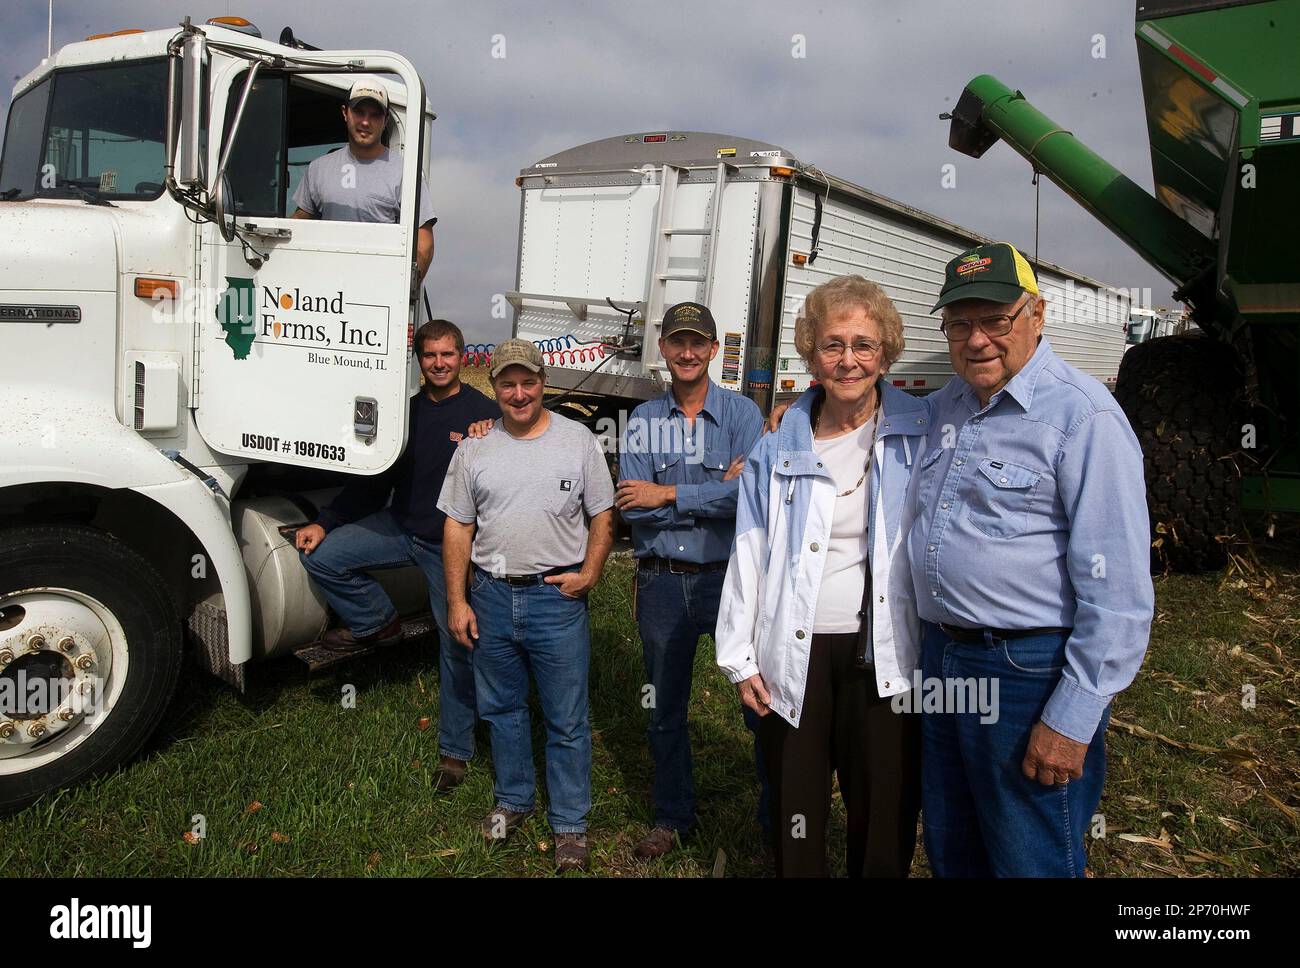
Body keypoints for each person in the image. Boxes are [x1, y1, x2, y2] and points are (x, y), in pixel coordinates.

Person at [910, 242, 1154, 877]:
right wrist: (796, 414)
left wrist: (1072, 717)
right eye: (959, 324)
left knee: (1030, 856)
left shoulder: (1084, 415)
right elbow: (853, 411)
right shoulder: (945, 407)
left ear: (1037, 315)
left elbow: (1120, 590)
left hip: (1026, 670)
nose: (977, 340)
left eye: (996, 320)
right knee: (952, 841)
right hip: (943, 657)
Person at [715, 275, 928, 877]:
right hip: (794, 652)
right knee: (795, 809)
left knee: (884, 808)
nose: (849, 359)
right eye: (832, 344)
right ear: (811, 355)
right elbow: (749, 550)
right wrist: (739, 656)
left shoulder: (922, 429)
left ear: (886, 352)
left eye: (864, 344)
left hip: (886, 657)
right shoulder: (778, 445)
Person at [295, 319, 500, 790]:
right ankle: (377, 624)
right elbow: (373, 483)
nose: (439, 364)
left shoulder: (484, 416)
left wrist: (495, 434)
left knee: (457, 646)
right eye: (430, 355)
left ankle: (455, 753)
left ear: (463, 357)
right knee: (323, 557)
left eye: (448, 354)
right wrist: (323, 523)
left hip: (448, 547)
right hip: (399, 527)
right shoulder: (404, 415)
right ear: (418, 360)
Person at [438, 339, 615, 873]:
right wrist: (457, 600)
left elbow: (602, 514)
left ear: (543, 383)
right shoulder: (474, 449)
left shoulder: (577, 440)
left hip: (555, 601)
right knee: (501, 709)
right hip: (490, 596)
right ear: (493, 388)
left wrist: (590, 572)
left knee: (566, 719)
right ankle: (513, 801)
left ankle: (569, 825)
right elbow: (458, 525)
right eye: (507, 384)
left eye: (529, 382)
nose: (519, 393)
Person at [615, 302, 766, 860]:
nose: (686, 353)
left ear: (712, 350)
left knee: (759, 704)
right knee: (664, 708)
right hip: (660, 584)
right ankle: (672, 816)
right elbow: (633, 509)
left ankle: (775, 812)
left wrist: (670, 492)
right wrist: (714, 494)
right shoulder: (643, 421)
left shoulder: (744, 416)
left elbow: (754, 496)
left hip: (732, 580)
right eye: (677, 342)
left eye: (697, 343)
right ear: (663, 349)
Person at [291, 78, 436, 282]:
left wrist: (402, 293)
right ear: (345, 113)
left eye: (375, 115)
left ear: (385, 121)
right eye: (359, 112)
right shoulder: (318, 168)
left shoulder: (407, 172)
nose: (366, 122)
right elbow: (299, 223)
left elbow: (424, 243)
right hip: (322, 292)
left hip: (376, 292)